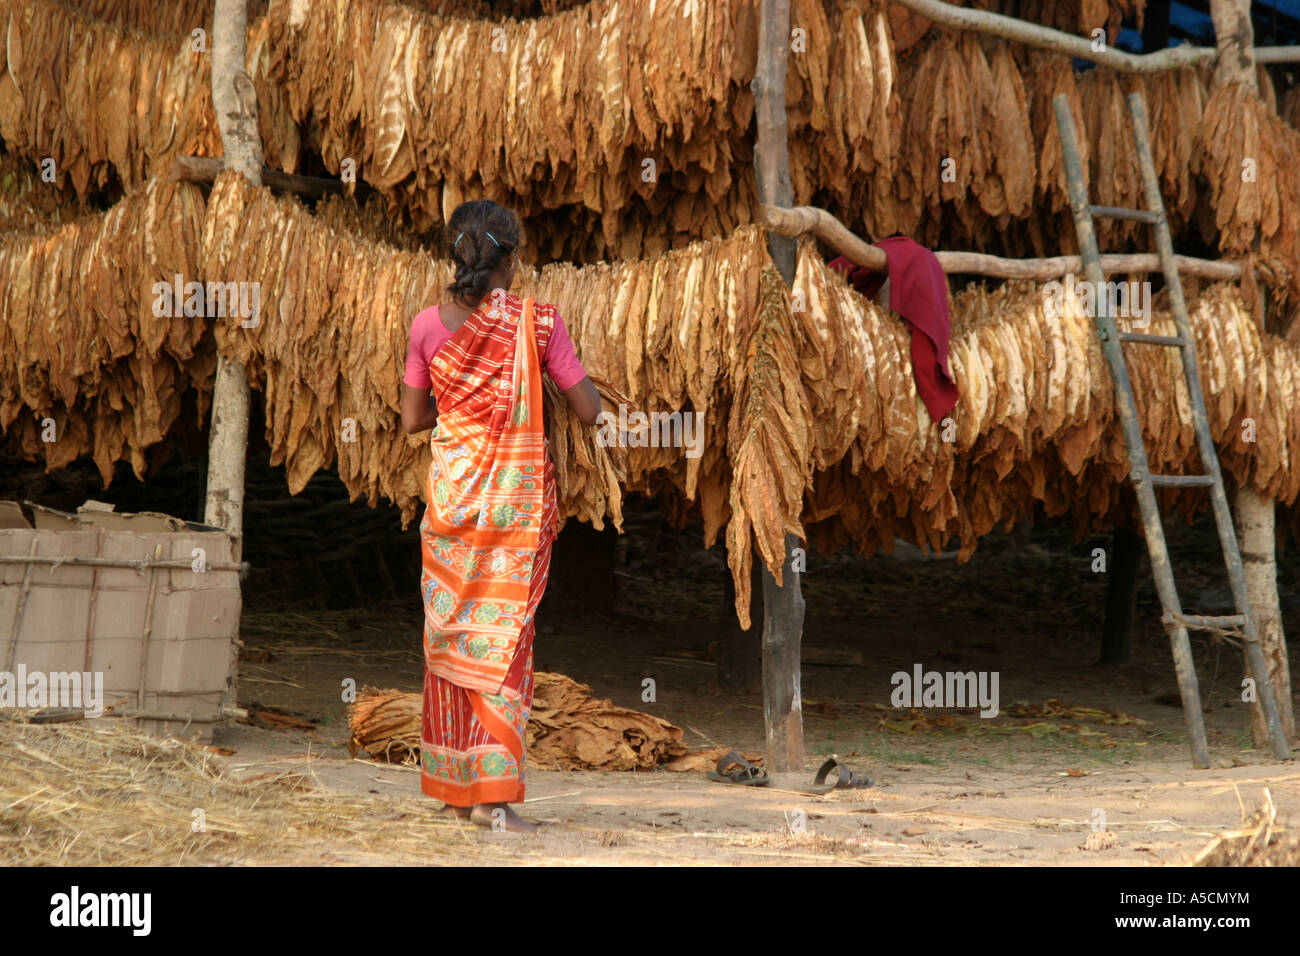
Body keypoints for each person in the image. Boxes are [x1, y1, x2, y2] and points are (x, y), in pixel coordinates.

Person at [399, 200, 601, 832]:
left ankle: (458, 789)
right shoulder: (538, 326)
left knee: (456, 638)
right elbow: (590, 409)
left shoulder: (426, 327)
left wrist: (464, 413)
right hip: (513, 514)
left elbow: (412, 420)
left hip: (453, 508)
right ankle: (492, 800)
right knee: (505, 643)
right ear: (509, 258)